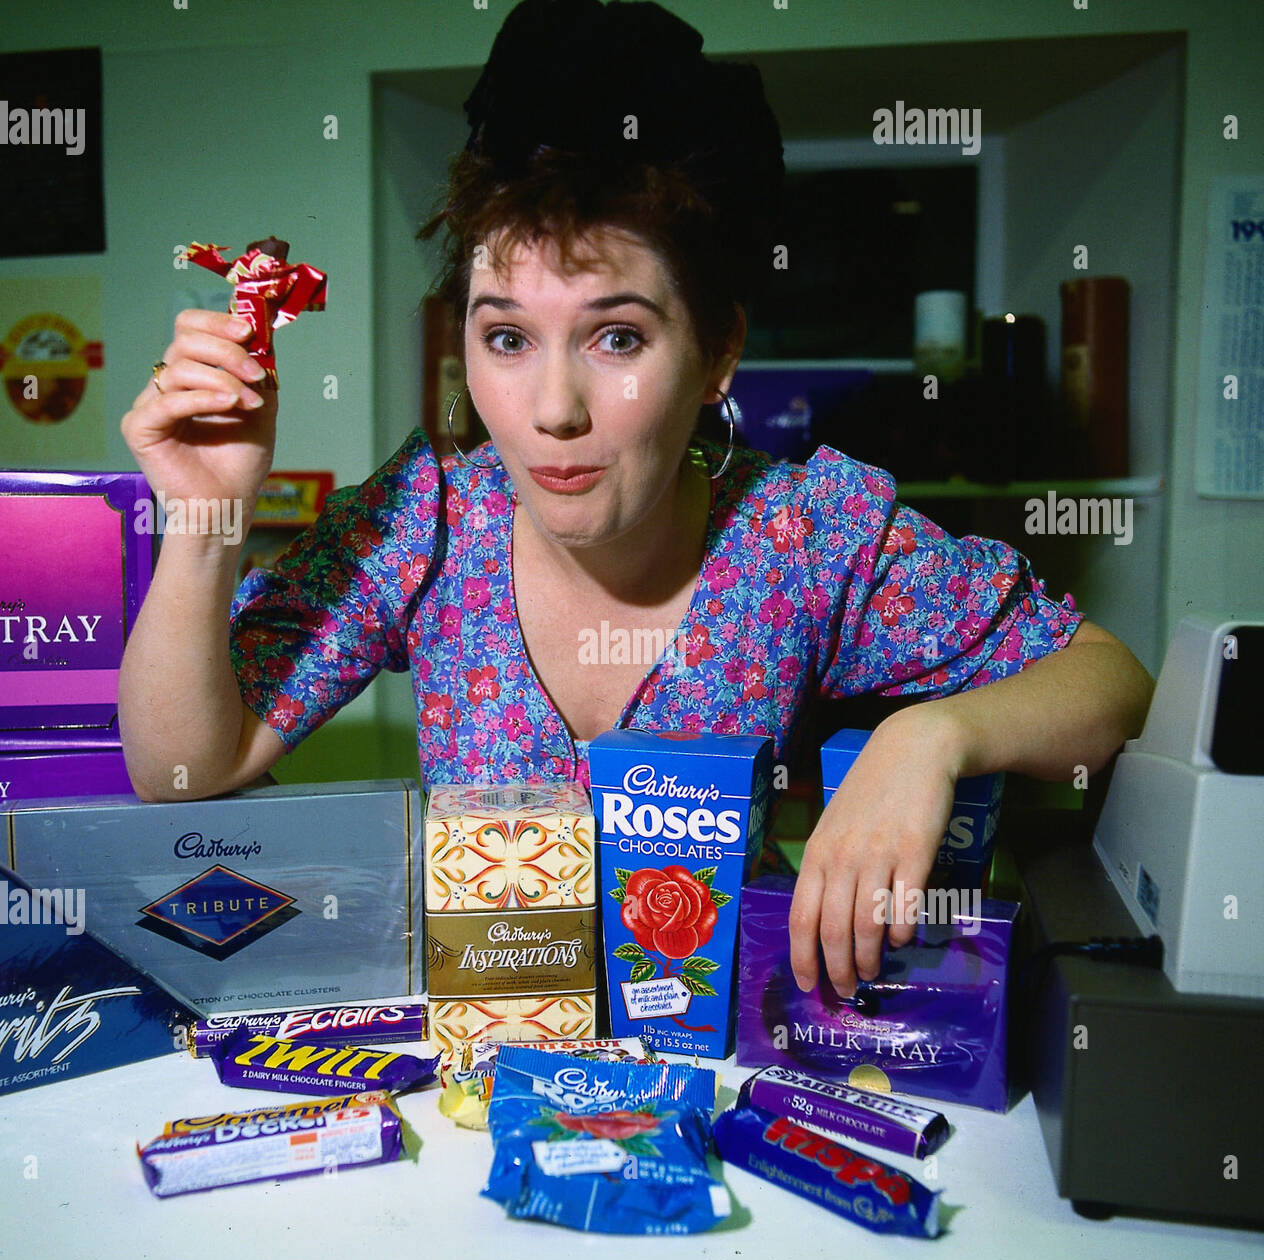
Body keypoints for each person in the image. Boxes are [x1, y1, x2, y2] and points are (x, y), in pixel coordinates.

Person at [118, 0, 1153, 1000]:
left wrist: (927, 739)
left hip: (725, 1072)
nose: (552, 410)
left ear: (716, 354)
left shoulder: (807, 539)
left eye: (617, 336)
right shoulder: (421, 522)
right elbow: (180, 771)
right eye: (507, 337)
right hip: (484, 1074)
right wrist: (203, 519)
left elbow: (1111, 684)